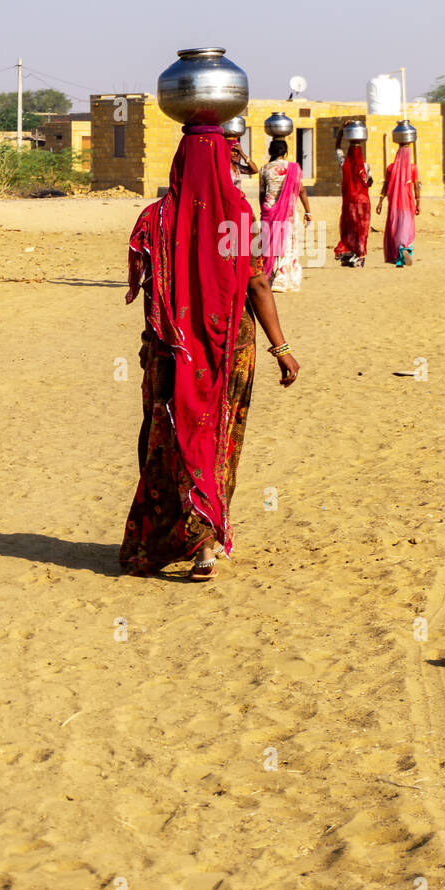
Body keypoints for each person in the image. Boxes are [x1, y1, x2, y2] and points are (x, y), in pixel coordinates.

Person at [119, 124, 299, 582]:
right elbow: (257, 283)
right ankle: (206, 546)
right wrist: (282, 347)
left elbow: (150, 291)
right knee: (216, 440)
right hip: (227, 348)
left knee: (168, 442)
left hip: (170, 349)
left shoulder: (153, 218)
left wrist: (153, 344)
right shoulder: (238, 217)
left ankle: (160, 541)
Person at [259, 138, 311, 292]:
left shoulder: (264, 169)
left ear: (271, 152)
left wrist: (264, 210)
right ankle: (282, 280)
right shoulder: (293, 168)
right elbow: (301, 190)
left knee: (269, 244)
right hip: (287, 213)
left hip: (269, 210)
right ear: (286, 153)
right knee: (287, 244)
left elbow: (262, 194)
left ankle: (270, 278)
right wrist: (308, 210)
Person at [377, 140, 420, 265]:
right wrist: (418, 203)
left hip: (394, 205)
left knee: (395, 230)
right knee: (407, 229)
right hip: (408, 205)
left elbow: (385, 185)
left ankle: (399, 258)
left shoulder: (391, 168)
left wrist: (380, 201)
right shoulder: (413, 168)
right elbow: (416, 187)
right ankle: (405, 249)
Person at [334, 126, 371, 267]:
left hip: (349, 202)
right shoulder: (366, 166)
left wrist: (342, 130)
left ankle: (350, 254)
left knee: (349, 228)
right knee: (361, 230)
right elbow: (370, 183)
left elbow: (337, 147)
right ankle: (360, 257)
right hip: (363, 203)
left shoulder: (344, 163)